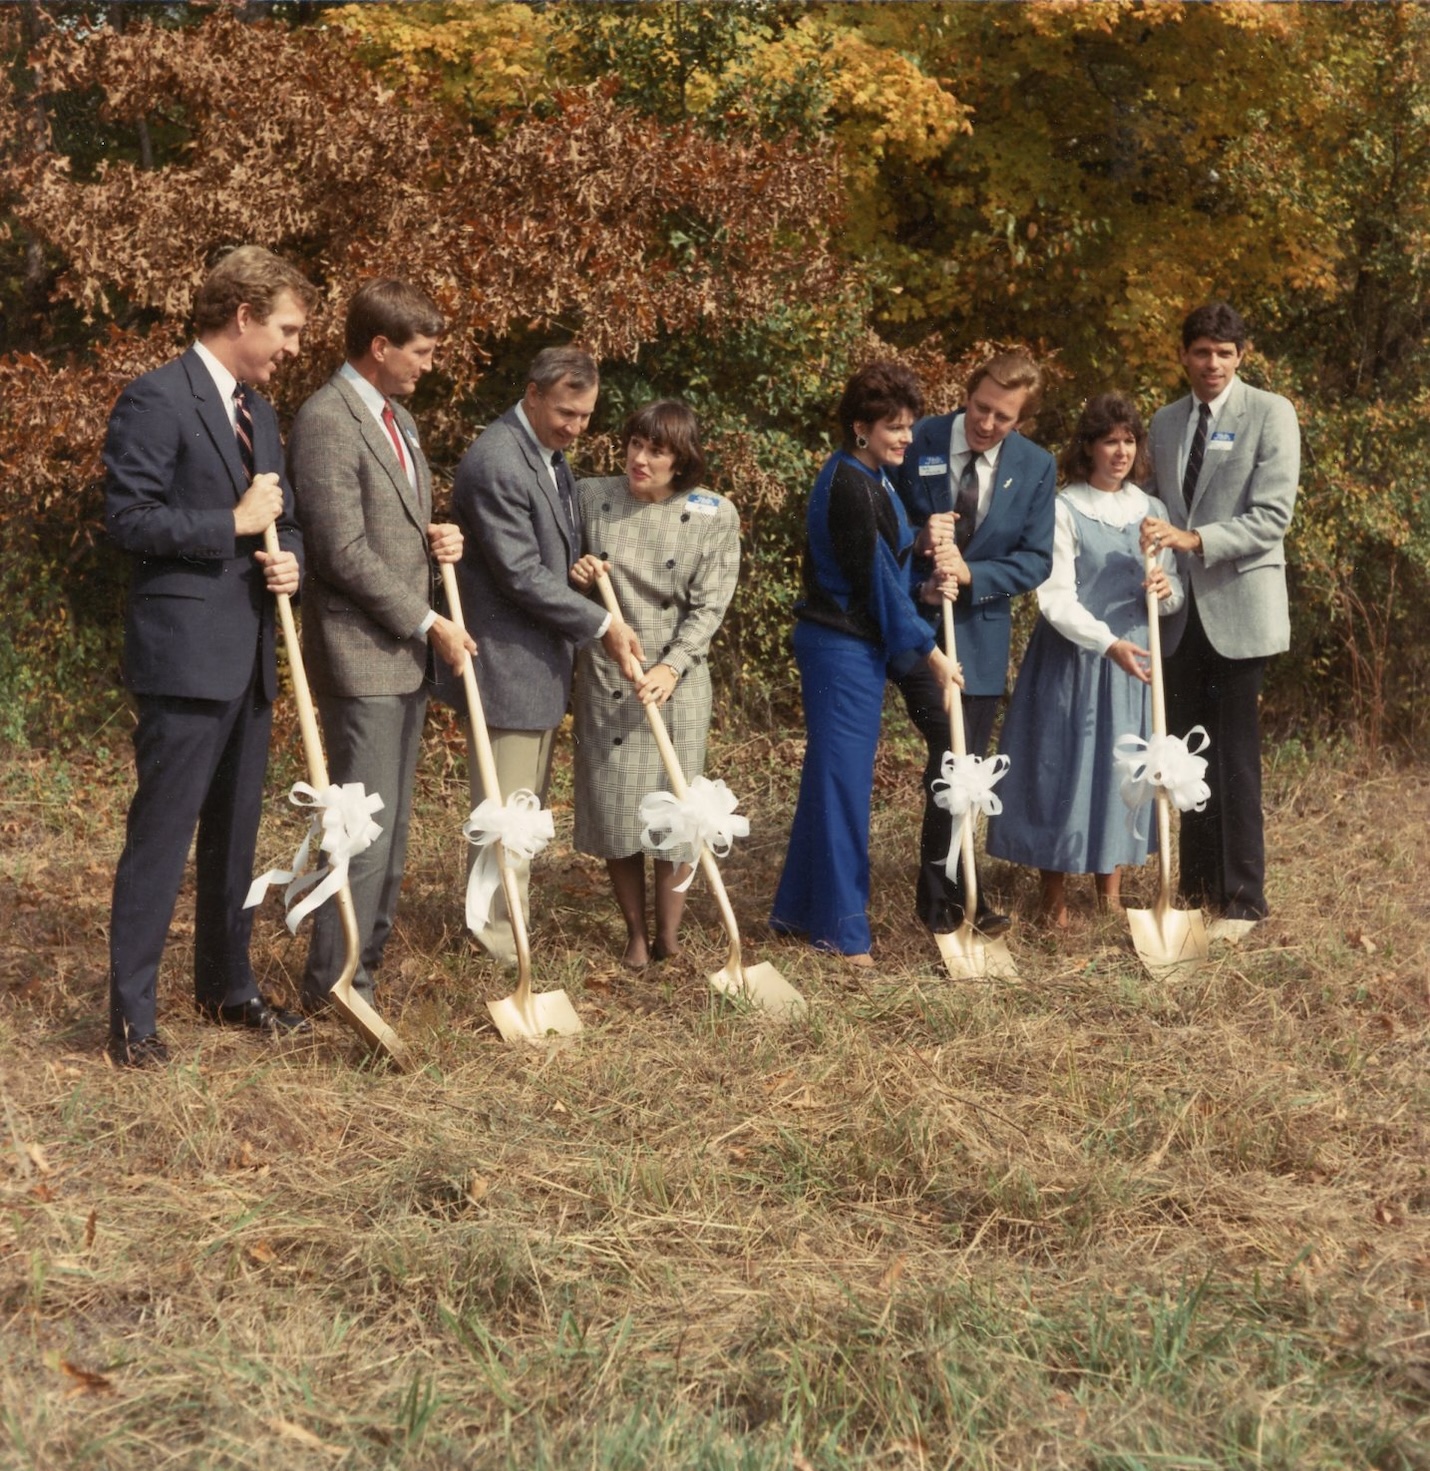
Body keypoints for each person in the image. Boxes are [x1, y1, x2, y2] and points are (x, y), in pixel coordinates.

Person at [104, 245, 316, 1067]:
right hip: (185, 657)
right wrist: (227, 523)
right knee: (161, 836)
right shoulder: (155, 399)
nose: (292, 348)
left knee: (234, 835)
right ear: (243, 316)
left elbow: (281, 517)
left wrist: (288, 554)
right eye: (287, 330)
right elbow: (130, 520)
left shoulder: (259, 413)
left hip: (253, 652)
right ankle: (130, 1021)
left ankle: (227, 989)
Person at [287, 279, 475, 1014]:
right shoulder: (329, 419)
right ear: (380, 346)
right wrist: (429, 621)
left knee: (391, 833)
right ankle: (331, 989)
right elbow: (341, 551)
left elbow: (394, 533)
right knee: (361, 834)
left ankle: (365, 975)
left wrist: (439, 542)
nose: (428, 365)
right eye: (420, 352)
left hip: (400, 657)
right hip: (362, 654)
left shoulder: (399, 419)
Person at [451, 346, 645, 966]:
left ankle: (508, 935)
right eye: (566, 412)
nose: (576, 428)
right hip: (505, 663)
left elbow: (549, 564)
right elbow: (519, 574)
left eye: (586, 417)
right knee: (506, 817)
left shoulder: (549, 458)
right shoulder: (497, 460)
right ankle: (501, 952)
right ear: (532, 393)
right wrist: (602, 623)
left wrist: (581, 575)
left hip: (539, 665)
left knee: (523, 813)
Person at [770, 362, 961, 966]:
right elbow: (875, 587)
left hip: (859, 644)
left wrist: (927, 589)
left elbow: (891, 573)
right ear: (861, 428)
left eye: (909, 427)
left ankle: (798, 912)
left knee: (830, 780)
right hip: (838, 649)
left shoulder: (875, 477)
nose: (905, 438)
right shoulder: (848, 483)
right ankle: (844, 935)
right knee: (844, 788)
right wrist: (932, 654)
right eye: (892, 428)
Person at [986, 393, 1183, 927]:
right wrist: (1107, 642)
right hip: (1076, 659)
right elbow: (1053, 599)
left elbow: (1173, 594)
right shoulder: (1063, 508)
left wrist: (1165, 589)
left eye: (1129, 441)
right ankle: (1054, 903)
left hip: (1134, 663)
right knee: (1066, 768)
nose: (1121, 451)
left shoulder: (1151, 510)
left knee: (1121, 770)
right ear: (1089, 448)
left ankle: (1110, 896)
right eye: (1109, 441)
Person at [1139, 302, 1300, 927]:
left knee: (1233, 758)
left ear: (1241, 357)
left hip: (1240, 611)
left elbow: (1271, 517)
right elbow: (1158, 507)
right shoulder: (1166, 421)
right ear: (1184, 355)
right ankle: (1199, 889)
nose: (1212, 363)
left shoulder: (1270, 413)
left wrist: (1193, 539)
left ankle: (1243, 900)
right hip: (1180, 615)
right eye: (1202, 351)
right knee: (1188, 755)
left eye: (1224, 353)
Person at [567, 401, 740, 969]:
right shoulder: (591, 498)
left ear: (682, 459)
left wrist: (673, 665)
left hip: (677, 679)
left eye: (657, 451)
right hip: (610, 670)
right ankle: (635, 934)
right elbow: (558, 569)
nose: (640, 459)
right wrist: (578, 575)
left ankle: (670, 936)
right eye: (635, 445)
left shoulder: (715, 514)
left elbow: (710, 606)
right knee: (618, 809)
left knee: (676, 809)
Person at [892, 350, 1057, 939]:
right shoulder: (921, 438)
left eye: (1003, 418)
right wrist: (918, 550)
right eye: (981, 407)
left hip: (977, 639)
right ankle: (950, 893)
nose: (987, 423)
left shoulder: (1036, 467)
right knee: (947, 752)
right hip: (904, 627)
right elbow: (880, 520)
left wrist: (971, 577)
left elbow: (1037, 560)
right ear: (968, 392)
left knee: (960, 765)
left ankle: (951, 898)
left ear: (1022, 420)